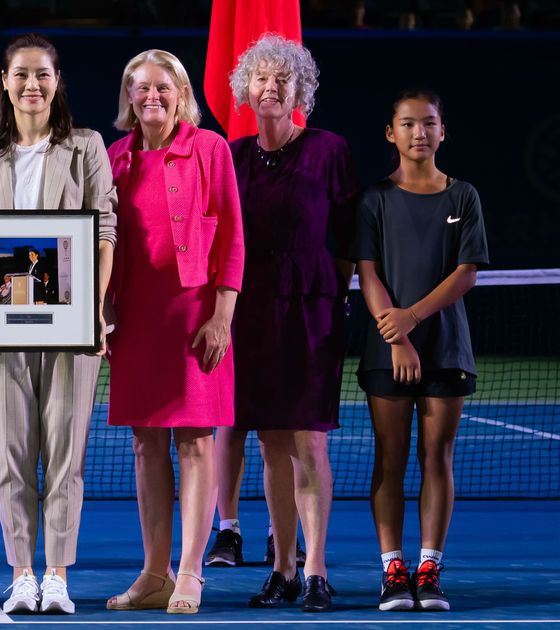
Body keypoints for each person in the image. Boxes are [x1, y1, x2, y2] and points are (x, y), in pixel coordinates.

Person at [0, 32, 117, 615]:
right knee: (12, 454)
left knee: (67, 455)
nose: (31, 85)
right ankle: (21, 574)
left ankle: (57, 575)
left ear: (57, 80)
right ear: (5, 81)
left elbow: (103, 231)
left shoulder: (86, 146)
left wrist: (95, 313)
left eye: (42, 74)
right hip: (5, 324)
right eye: (20, 74)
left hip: (73, 325)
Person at [213, 34, 357, 612]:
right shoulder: (233, 155)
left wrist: (329, 292)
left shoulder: (328, 150)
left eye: (283, 78)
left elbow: (347, 237)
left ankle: (317, 570)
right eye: (261, 77)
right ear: (244, 89)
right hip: (251, 313)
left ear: (302, 90)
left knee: (309, 441)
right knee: (272, 443)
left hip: (311, 310)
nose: (271, 86)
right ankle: (283, 570)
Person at [102, 49, 243, 615]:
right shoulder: (115, 157)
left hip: (194, 314)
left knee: (194, 441)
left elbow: (232, 235)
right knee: (144, 443)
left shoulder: (210, 150)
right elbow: (99, 243)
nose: (152, 96)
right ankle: (153, 572)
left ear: (182, 94)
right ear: (128, 98)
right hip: (135, 318)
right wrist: (102, 309)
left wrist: (222, 315)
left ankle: (189, 573)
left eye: (163, 87)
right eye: (141, 88)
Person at [353, 90, 487, 613]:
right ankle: (393, 569)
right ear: (391, 133)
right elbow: (367, 272)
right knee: (390, 457)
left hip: (447, 347)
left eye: (428, 123)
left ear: (442, 131)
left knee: (438, 456)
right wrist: (399, 336)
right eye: (407, 124)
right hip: (388, 350)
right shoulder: (373, 200)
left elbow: (466, 273)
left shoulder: (463, 197)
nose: (419, 133)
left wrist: (413, 318)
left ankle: (429, 569)